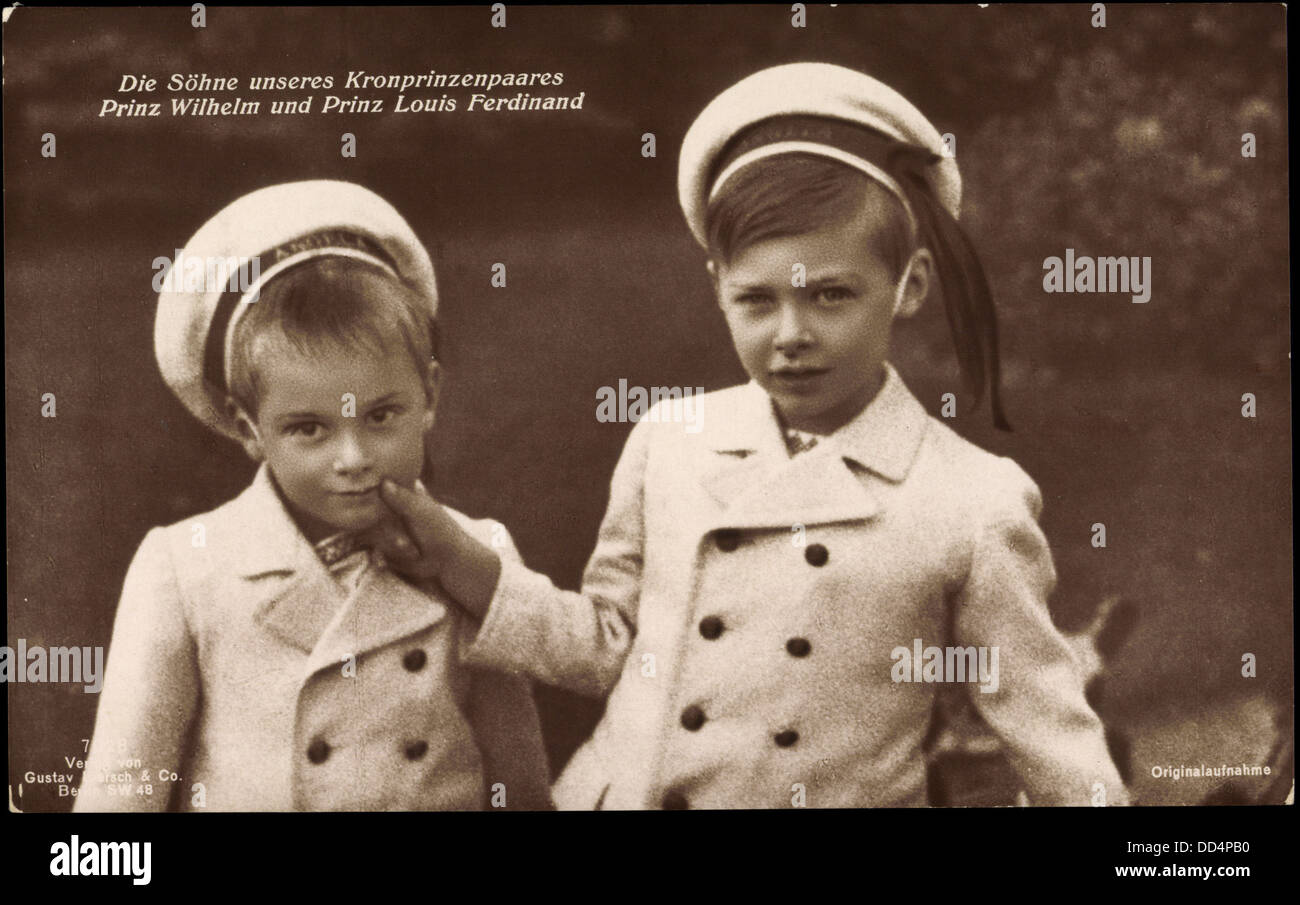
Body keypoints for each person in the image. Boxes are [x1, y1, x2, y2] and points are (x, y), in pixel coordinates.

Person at [367, 63, 1129, 809]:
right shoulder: (673, 436)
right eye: (756, 300)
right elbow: (605, 645)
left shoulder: (971, 500)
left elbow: (1045, 724)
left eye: (830, 295)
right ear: (716, 288)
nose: (791, 334)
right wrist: (463, 562)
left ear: (912, 286)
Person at [75, 180, 551, 811]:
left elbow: (521, 788)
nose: (352, 460)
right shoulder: (184, 569)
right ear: (249, 429)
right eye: (308, 429)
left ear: (430, 394)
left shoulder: (477, 552)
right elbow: (116, 805)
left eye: (381, 416)